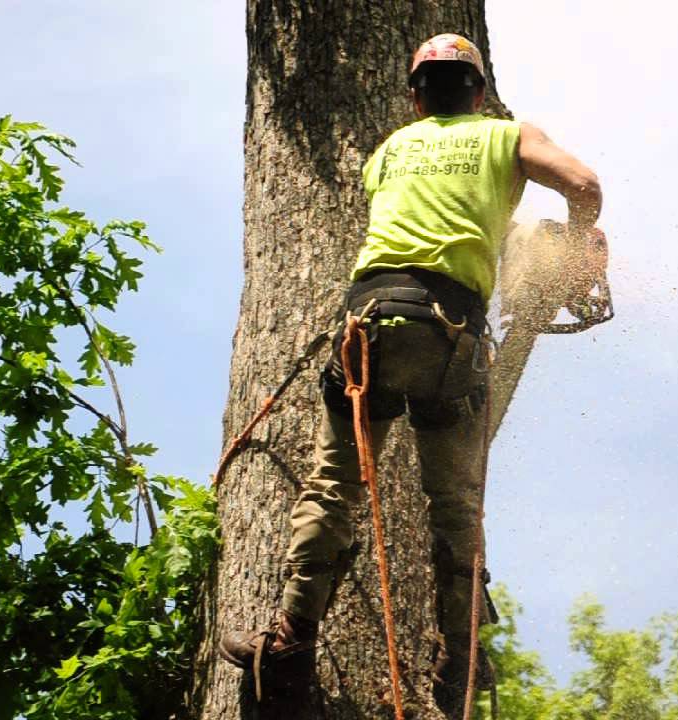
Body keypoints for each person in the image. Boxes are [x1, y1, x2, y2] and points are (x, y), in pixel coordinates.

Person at [219, 32, 602, 713]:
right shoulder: (509, 136)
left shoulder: (391, 151)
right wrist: (571, 251)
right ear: (478, 94)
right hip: (451, 336)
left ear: (417, 98)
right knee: (455, 507)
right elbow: (583, 186)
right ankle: (458, 662)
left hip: (369, 325)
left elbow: (432, 217)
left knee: (334, 486)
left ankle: (290, 641)